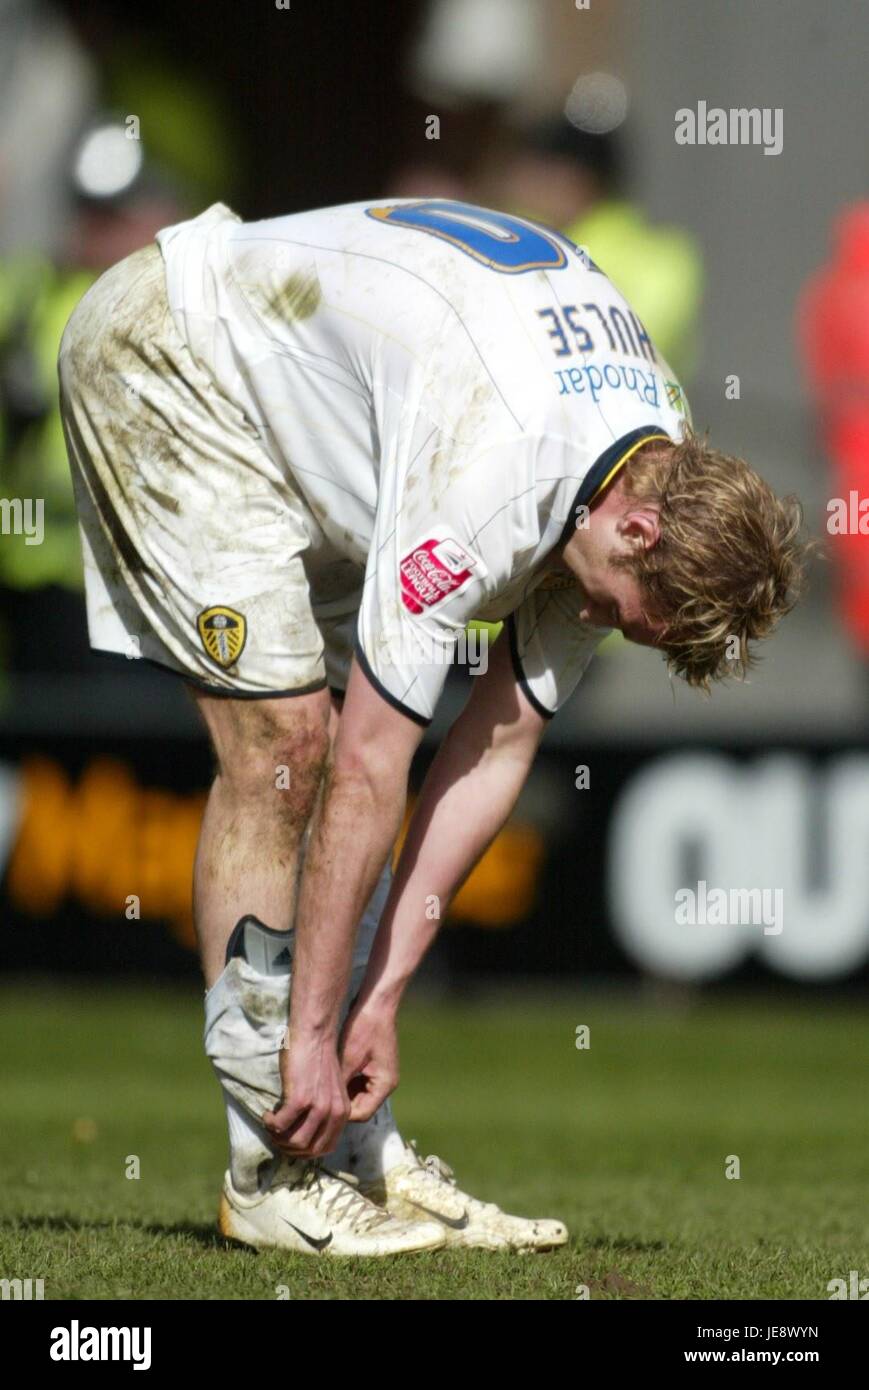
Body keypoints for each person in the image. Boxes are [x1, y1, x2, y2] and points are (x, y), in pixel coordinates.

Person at [58, 198, 805, 1256]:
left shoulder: (645, 472)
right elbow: (373, 763)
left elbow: (497, 739)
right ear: (636, 531)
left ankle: (353, 1145)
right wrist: (313, 1028)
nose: (592, 623)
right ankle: (266, 1165)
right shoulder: (496, 475)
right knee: (288, 748)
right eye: (616, 613)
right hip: (171, 356)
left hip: (305, 426)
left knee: (323, 744)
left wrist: (380, 1001)